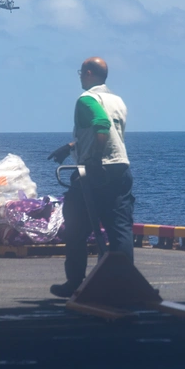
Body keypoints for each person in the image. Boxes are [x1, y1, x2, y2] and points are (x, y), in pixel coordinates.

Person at [48, 57, 135, 298]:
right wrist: (70, 146)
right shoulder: (116, 100)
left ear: (87, 73)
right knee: (120, 229)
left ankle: (75, 282)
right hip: (120, 168)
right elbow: (107, 133)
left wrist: (95, 158)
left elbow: (101, 124)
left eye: (80, 72)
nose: (79, 77)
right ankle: (123, 284)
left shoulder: (86, 99)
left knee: (75, 227)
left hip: (95, 171)